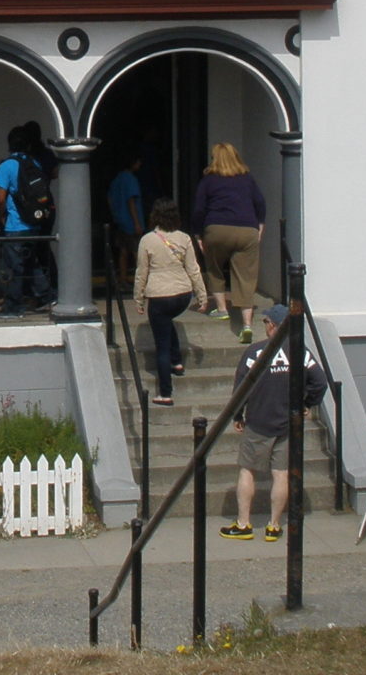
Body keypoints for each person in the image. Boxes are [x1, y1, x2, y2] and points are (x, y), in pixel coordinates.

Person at [219, 303, 325, 543]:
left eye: (266, 322)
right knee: (281, 474)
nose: (264, 325)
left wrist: (237, 415)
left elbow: (241, 389)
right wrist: (307, 402)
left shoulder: (254, 353)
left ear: (274, 325)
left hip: (258, 421)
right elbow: (320, 382)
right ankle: (274, 525)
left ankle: (244, 523)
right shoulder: (300, 353)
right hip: (288, 422)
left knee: (247, 470)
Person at [133, 197, 207, 405]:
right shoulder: (184, 239)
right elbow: (193, 268)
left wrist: (138, 299)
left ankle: (165, 393)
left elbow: (142, 272)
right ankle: (177, 363)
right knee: (168, 322)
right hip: (182, 294)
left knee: (161, 344)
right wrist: (201, 296)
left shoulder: (147, 240)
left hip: (159, 295)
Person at [192, 141, 268, 339]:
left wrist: (198, 234)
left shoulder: (209, 180)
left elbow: (199, 209)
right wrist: (259, 226)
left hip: (217, 228)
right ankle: (246, 324)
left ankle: (222, 309)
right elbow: (260, 202)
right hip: (247, 229)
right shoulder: (246, 178)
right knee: (246, 276)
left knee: (214, 267)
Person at [0, 120, 54, 318]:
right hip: (33, 224)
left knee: (13, 268)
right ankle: (46, 297)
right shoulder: (33, 163)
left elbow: (0, 198)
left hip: (15, 225)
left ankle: (13, 307)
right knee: (31, 263)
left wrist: (1, 217)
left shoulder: (6, 166)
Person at [106, 149, 145, 286]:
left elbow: (109, 199)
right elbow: (131, 202)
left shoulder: (117, 179)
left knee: (123, 251)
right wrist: (136, 223)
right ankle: (141, 281)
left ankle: (122, 278)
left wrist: (115, 215)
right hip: (130, 222)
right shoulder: (130, 179)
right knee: (137, 252)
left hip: (120, 221)